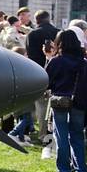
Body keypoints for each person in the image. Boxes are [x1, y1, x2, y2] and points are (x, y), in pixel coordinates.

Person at [46, 29, 87, 172]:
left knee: (61, 137)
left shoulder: (56, 61)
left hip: (59, 101)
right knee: (77, 136)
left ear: (59, 43)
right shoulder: (83, 63)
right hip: (78, 101)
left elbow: (47, 81)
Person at [26, 10, 59, 150]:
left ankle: (43, 134)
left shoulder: (32, 34)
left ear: (36, 20)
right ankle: (53, 134)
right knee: (55, 108)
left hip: (38, 72)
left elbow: (30, 56)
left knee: (42, 106)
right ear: (49, 18)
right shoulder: (58, 32)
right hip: (57, 72)